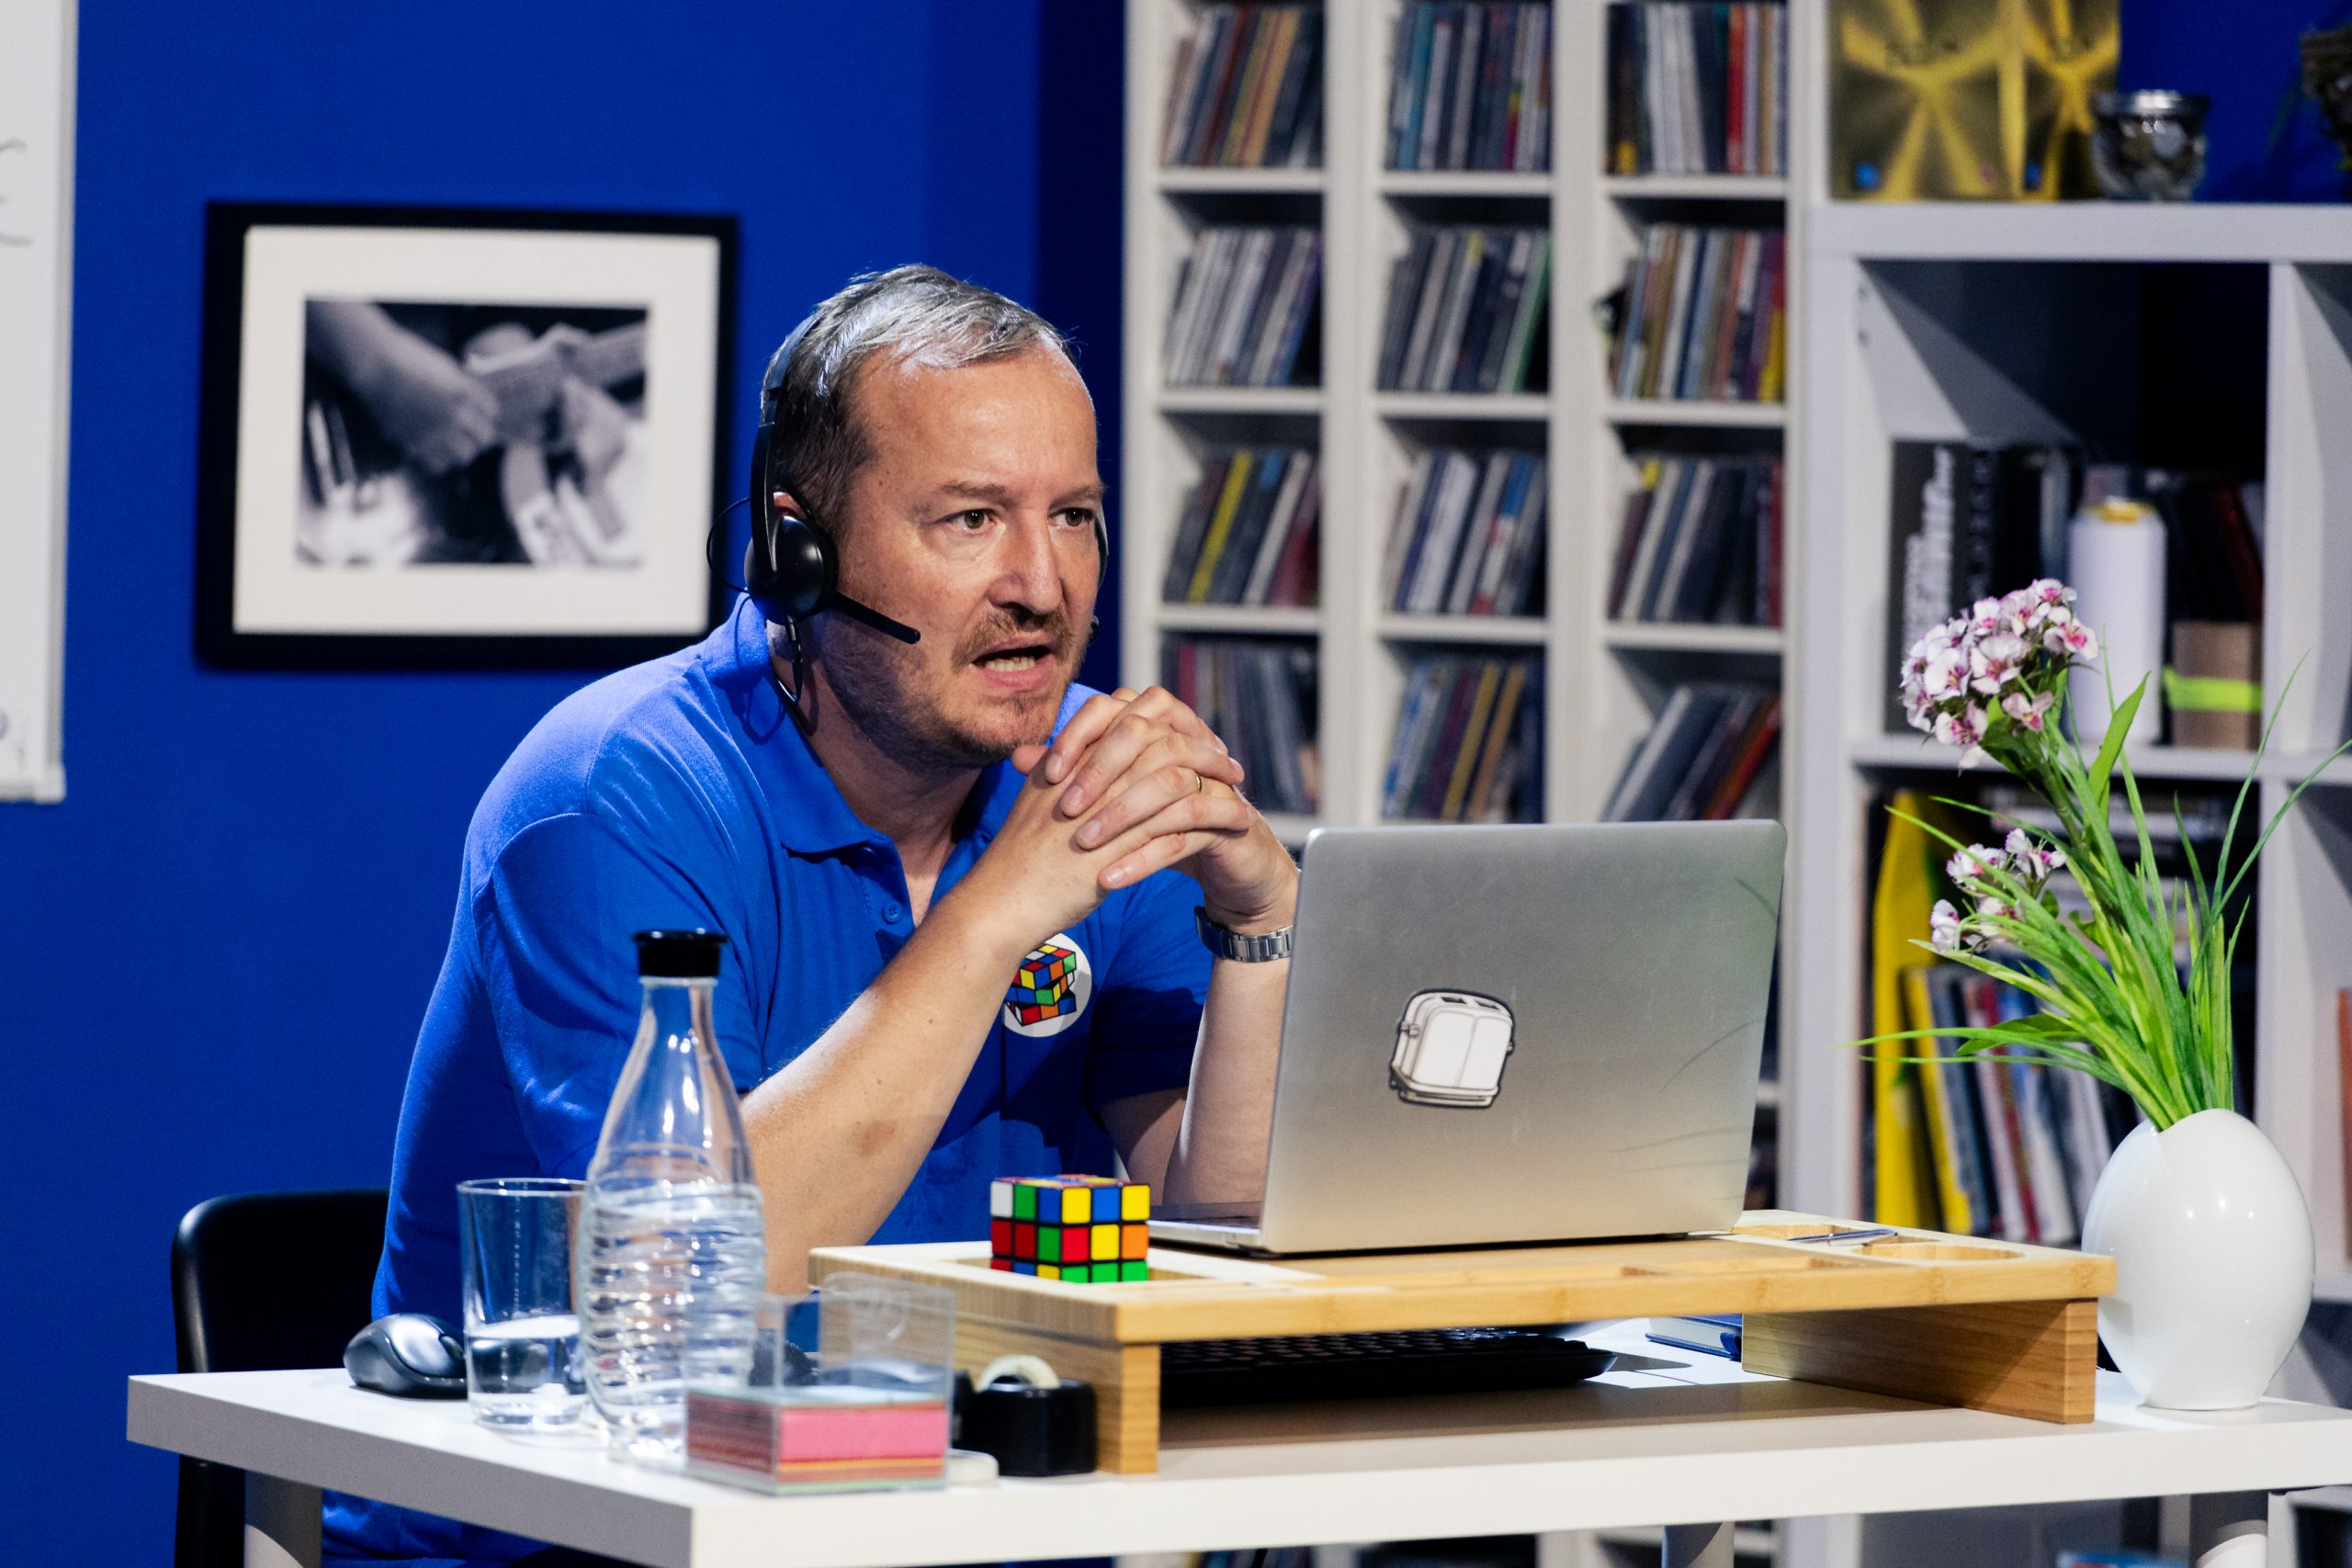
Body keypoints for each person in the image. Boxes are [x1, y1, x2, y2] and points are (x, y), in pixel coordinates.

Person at [325, 265, 1297, 1568]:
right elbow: (687, 1292)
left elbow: (1213, 1222)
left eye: (1073, 516)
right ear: (801, 548)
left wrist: (1260, 924)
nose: (1042, 585)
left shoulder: (1081, 786)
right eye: (971, 520)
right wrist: (1004, 902)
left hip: (951, 1515)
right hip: (587, 1538)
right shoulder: (610, 797)